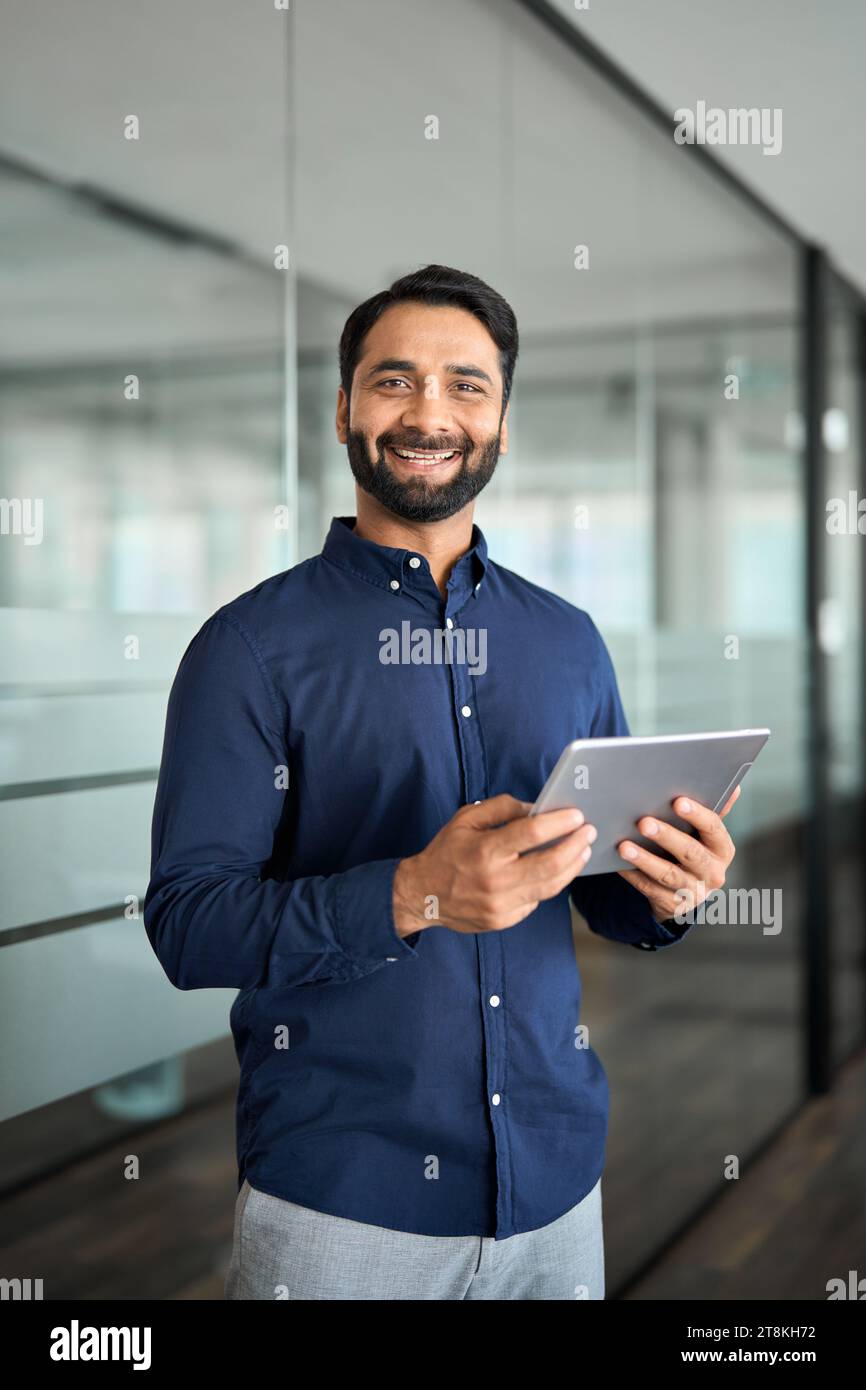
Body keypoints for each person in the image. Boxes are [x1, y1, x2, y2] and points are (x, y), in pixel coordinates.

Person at [143, 264, 738, 1300]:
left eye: (466, 385)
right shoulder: (248, 648)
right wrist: (412, 891)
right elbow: (189, 925)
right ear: (342, 409)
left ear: (502, 421)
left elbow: (599, 883)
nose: (428, 412)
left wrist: (667, 886)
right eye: (392, 381)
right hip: (342, 1202)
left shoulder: (567, 641)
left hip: (555, 1189)